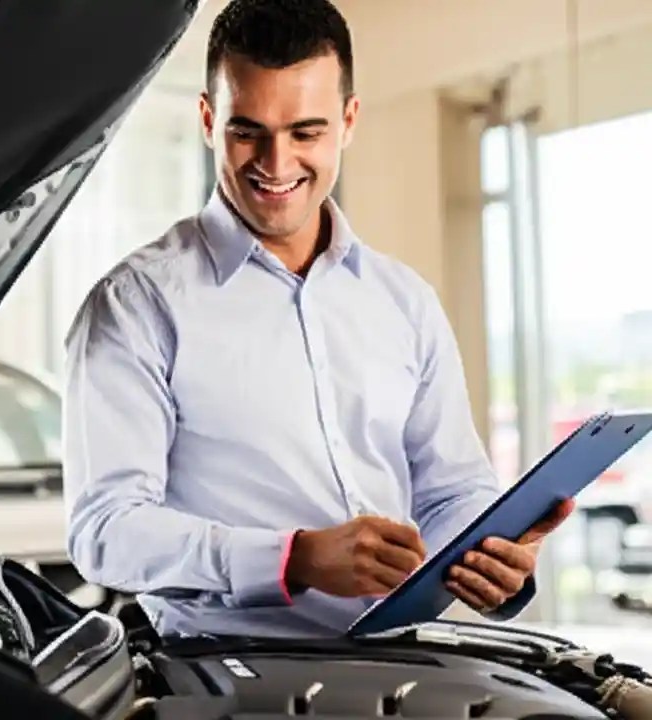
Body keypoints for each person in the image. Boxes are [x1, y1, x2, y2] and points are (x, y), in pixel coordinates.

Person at [62, 0, 573, 638]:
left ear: (348, 121)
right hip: (225, 671)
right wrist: (295, 558)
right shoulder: (135, 304)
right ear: (206, 119)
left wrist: (495, 557)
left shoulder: (404, 300)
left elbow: (449, 491)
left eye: (306, 132)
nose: (275, 165)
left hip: (402, 659)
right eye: (247, 130)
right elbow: (105, 531)